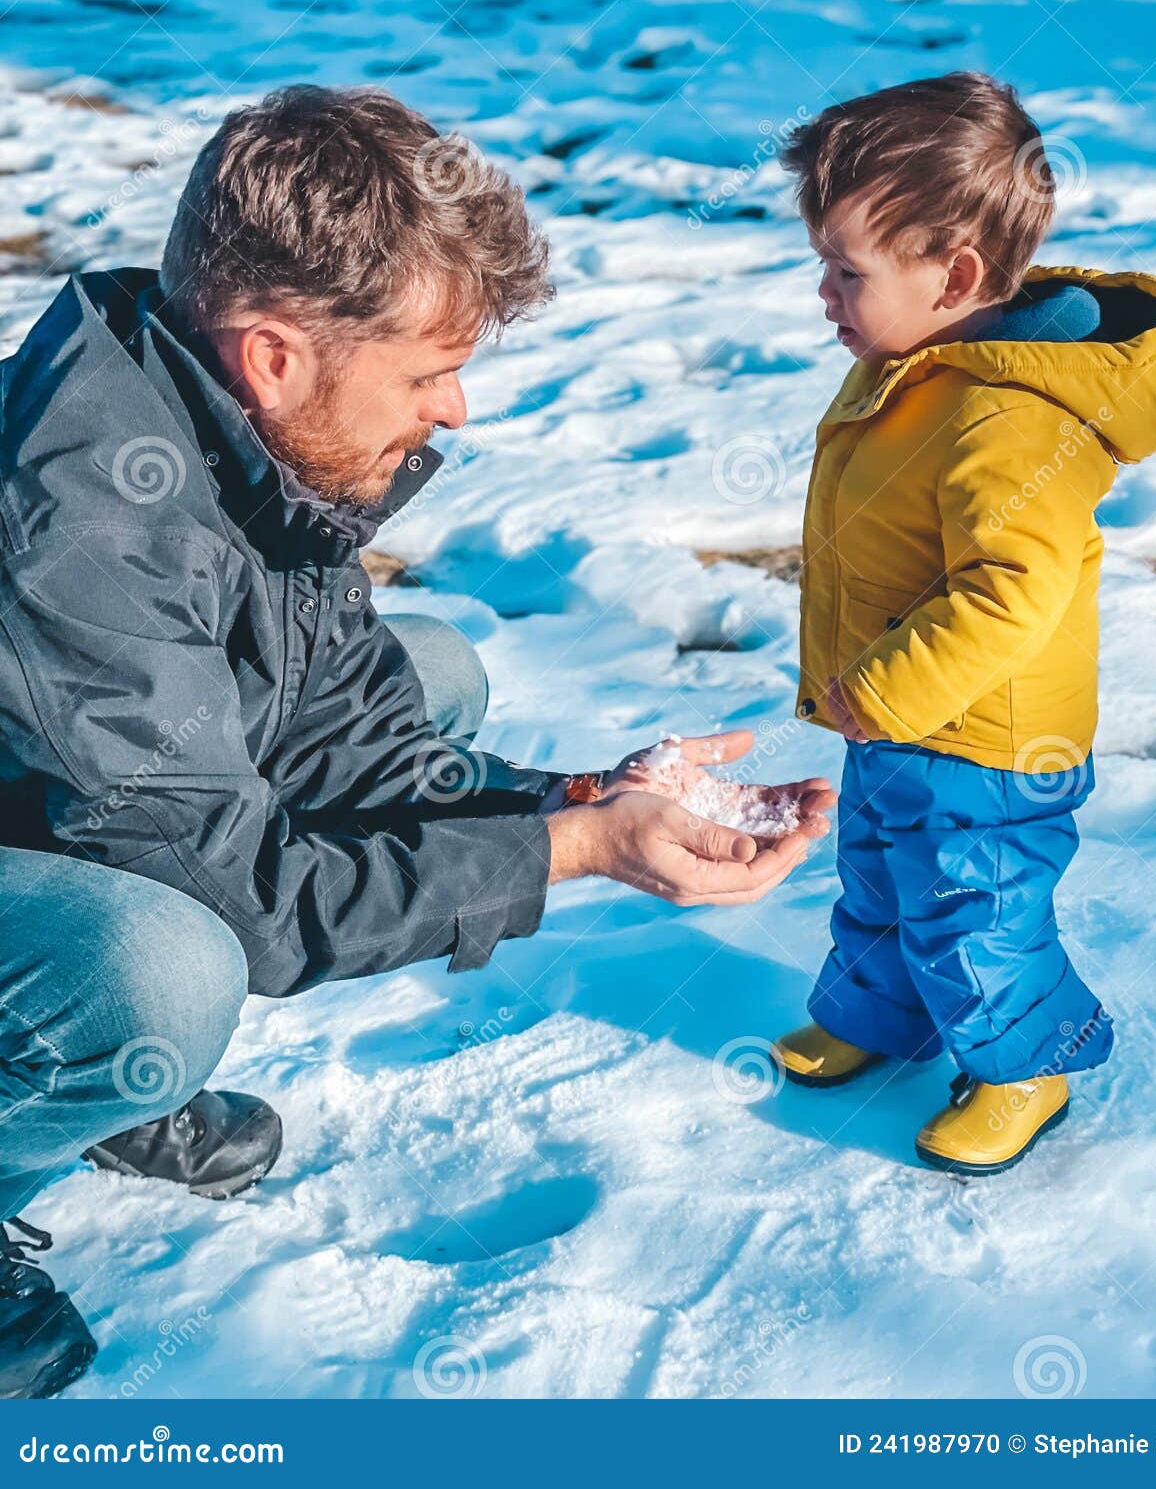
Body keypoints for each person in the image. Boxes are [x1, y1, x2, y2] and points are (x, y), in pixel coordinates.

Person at [0, 85, 835, 1397]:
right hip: (60, 837)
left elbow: (356, 744)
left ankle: (100, 1082)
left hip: (59, 798)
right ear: (274, 353)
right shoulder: (89, 525)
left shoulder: (242, 431)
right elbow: (258, 901)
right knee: (162, 969)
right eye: (431, 369)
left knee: (438, 674)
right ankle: (74, 1068)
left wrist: (579, 796)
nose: (458, 411)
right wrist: (577, 851)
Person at [769, 72, 1156, 1175]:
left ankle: (1026, 1063)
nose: (824, 291)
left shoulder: (1005, 417)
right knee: (877, 876)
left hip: (992, 743)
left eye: (846, 270)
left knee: (974, 911)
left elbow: (1014, 591)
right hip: (902, 719)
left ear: (953, 274)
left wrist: (892, 688)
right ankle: (877, 1019)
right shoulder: (917, 365)